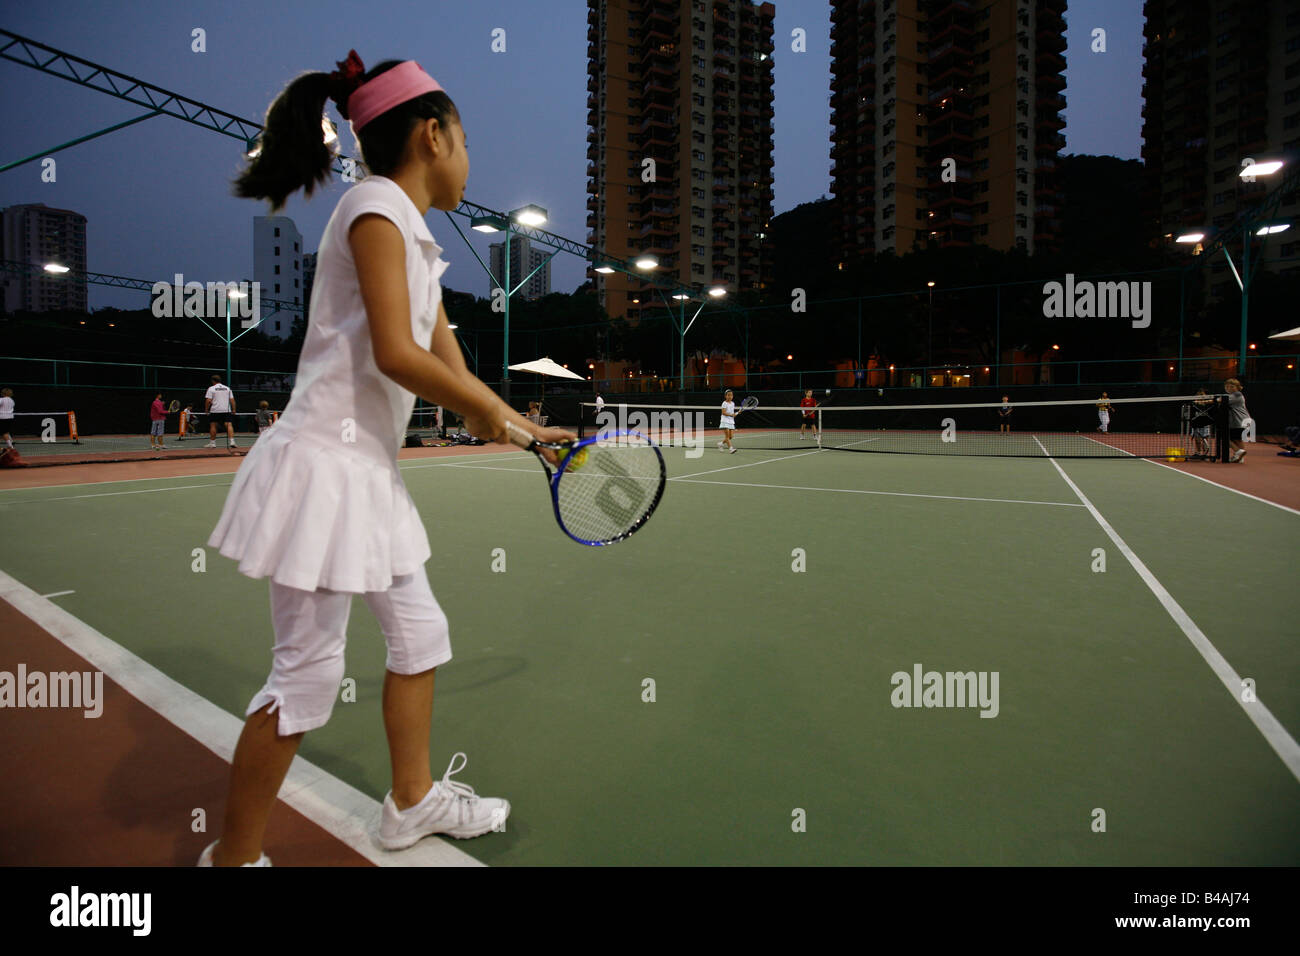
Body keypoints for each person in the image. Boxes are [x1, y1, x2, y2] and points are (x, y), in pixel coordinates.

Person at [202, 51, 571, 867]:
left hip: (367, 474)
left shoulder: (417, 238)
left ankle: (410, 806)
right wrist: (485, 411)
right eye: (467, 140)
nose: (471, 159)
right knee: (304, 682)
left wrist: (519, 430)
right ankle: (233, 859)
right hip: (325, 476)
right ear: (434, 136)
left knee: (421, 637)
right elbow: (400, 358)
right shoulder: (374, 208)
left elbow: (454, 373)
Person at [205, 374, 238, 450]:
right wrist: (234, 409)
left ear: (213, 381)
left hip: (215, 410)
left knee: (213, 426)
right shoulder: (227, 388)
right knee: (229, 425)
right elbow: (232, 400)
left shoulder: (211, 388)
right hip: (226, 410)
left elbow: (208, 401)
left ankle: (212, 444)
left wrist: (206, 410)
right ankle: (232, 442)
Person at [1224, 378, 1251, 462]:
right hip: (1239, 421)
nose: (1229, 388)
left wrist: (1206, 401)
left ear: (1237, 387)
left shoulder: (1237, 395)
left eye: (1232, 387)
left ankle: (1238, 452)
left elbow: (1221, 400)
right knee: (1237, 439)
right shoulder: (1232, 395)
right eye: (1227, 387)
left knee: (1225, 438)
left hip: (1240, 421)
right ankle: (1240, 458)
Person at [1190, 388, 1214, 460]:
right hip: (1196, 423)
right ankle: (1198, 453)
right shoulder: (1194, 402)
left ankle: (1205, 454)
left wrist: (1204, 402)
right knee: (1197, 439)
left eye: (1202, 394)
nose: (1200, 396)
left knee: (1205, 439)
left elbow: (1212, 401)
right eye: (1198, 394)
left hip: (1205, 423)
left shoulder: (1209, 403)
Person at [717, 388, 738, 453]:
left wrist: (735, 414)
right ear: (725, 396)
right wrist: (732, 415)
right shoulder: (724, 403)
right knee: (727, 436)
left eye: (731, 395)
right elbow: (723, 412)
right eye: (728, 395)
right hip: (725, 421)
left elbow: (732, 413)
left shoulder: (733, 403)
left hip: (731, 421)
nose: (730, 396)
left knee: (730, 437)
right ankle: (731, 449)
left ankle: (720, 444)